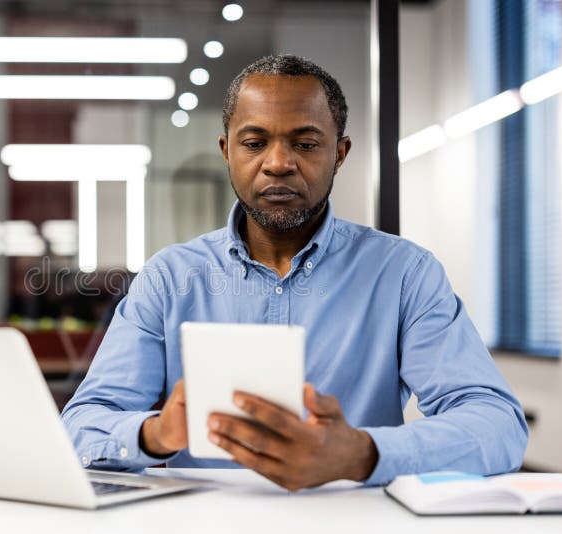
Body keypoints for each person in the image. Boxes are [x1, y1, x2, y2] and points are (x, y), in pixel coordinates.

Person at [61, 54, 528, 490]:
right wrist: (156, 433)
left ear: (340, 153)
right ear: (227, 151)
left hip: (356, 521)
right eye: (254, 143)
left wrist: (361, 453)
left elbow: (498, 425)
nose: (279, 163)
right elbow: (82, 426)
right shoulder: (169, 277)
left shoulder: (404, 273)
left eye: (305, 144)